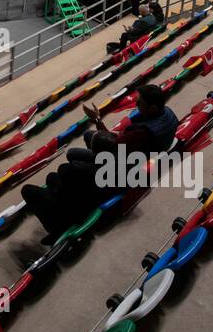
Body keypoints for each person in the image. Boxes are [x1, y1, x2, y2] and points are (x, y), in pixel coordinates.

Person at [21, 86, 178, 241]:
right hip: (133, 163)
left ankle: (60, 222)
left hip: (117, 170)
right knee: (77, 152)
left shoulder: (142, 133)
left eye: (140, 103)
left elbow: (113, 144)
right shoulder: (168, 115)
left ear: (152, 107)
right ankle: (68, 197)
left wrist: (97, 120)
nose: (136, 104)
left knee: (64, 170)